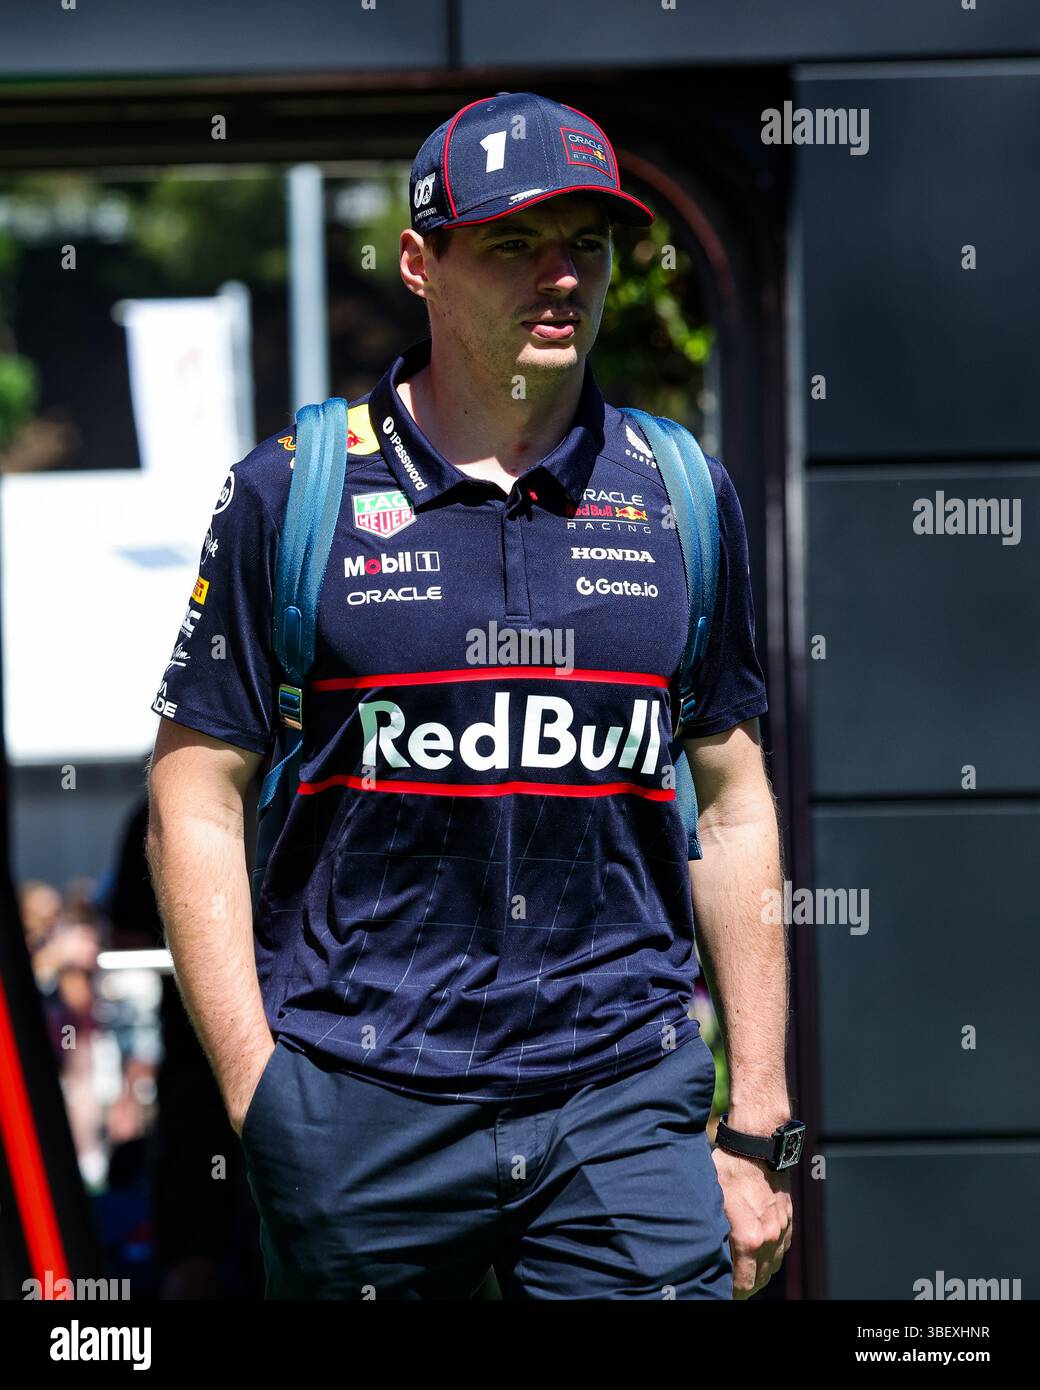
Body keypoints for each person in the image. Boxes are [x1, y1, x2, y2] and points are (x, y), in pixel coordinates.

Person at [146, 90, 798, 1300]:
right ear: (419, 262)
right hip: (357, 1099)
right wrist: (261, 1097)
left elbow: (734, 802)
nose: (562, 278)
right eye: (513, 244)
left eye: (587, 247)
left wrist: (756, 1123)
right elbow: (193, 795)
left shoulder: (679, 497)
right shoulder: (293, 495)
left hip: (620, 1097)